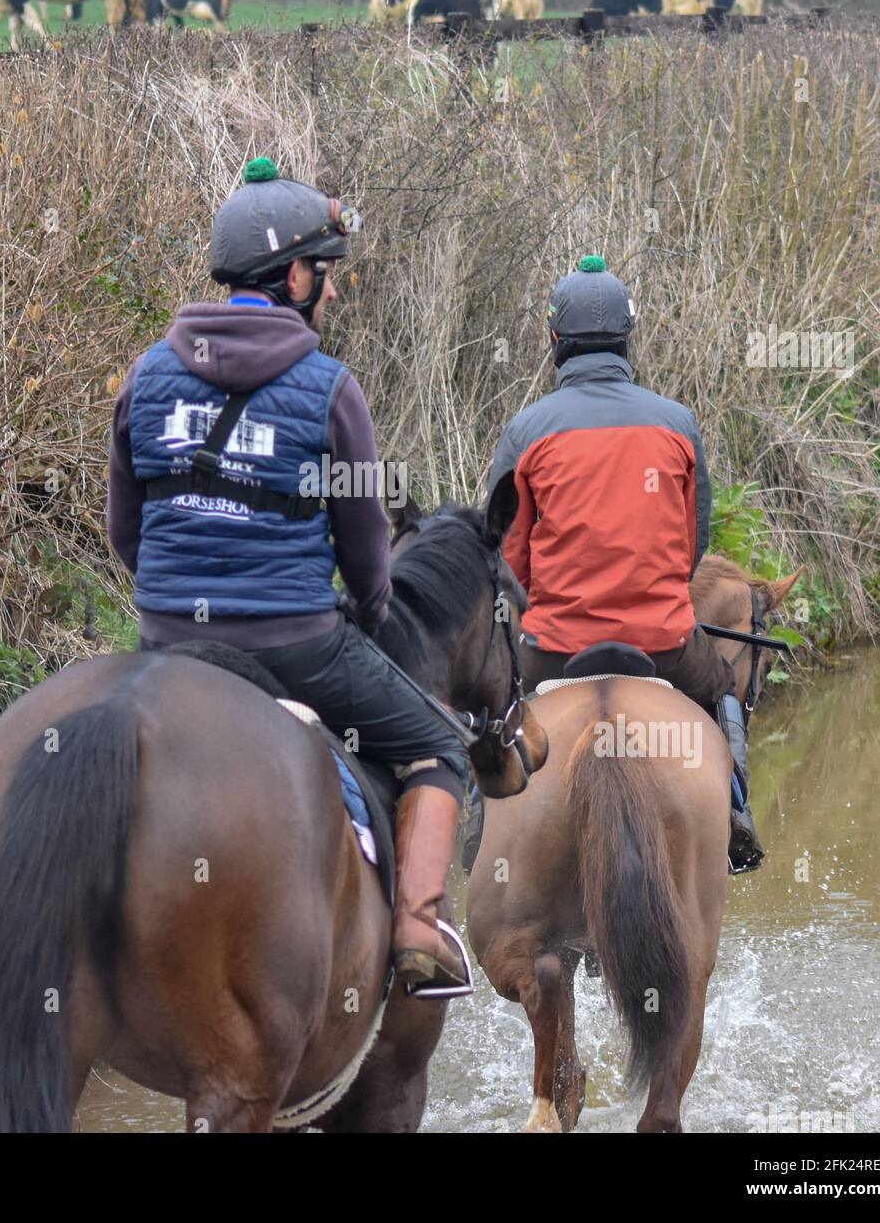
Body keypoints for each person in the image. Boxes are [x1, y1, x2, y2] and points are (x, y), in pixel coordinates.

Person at [106, 156, 473, 990]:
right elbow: (366, 542)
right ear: (292, 274)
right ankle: (417, 931)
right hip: (296, 643)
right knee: (439, 748)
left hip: (166, 639)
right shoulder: (328, 386)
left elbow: (125, 530)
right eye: (327, 274)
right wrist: (371, 606)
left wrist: (176, 598)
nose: (333, 294)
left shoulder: (146, 375)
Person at [474, 254, 762, 874]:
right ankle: (737, 814)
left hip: (552, 648)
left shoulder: (526, 431)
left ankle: (479, 825)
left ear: (556, 340)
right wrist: (651, 594)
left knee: (488, 695)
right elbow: (692, 541)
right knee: (720, 690)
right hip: (662, 644)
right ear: (627, 337)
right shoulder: (677, 424)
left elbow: (508, 558)